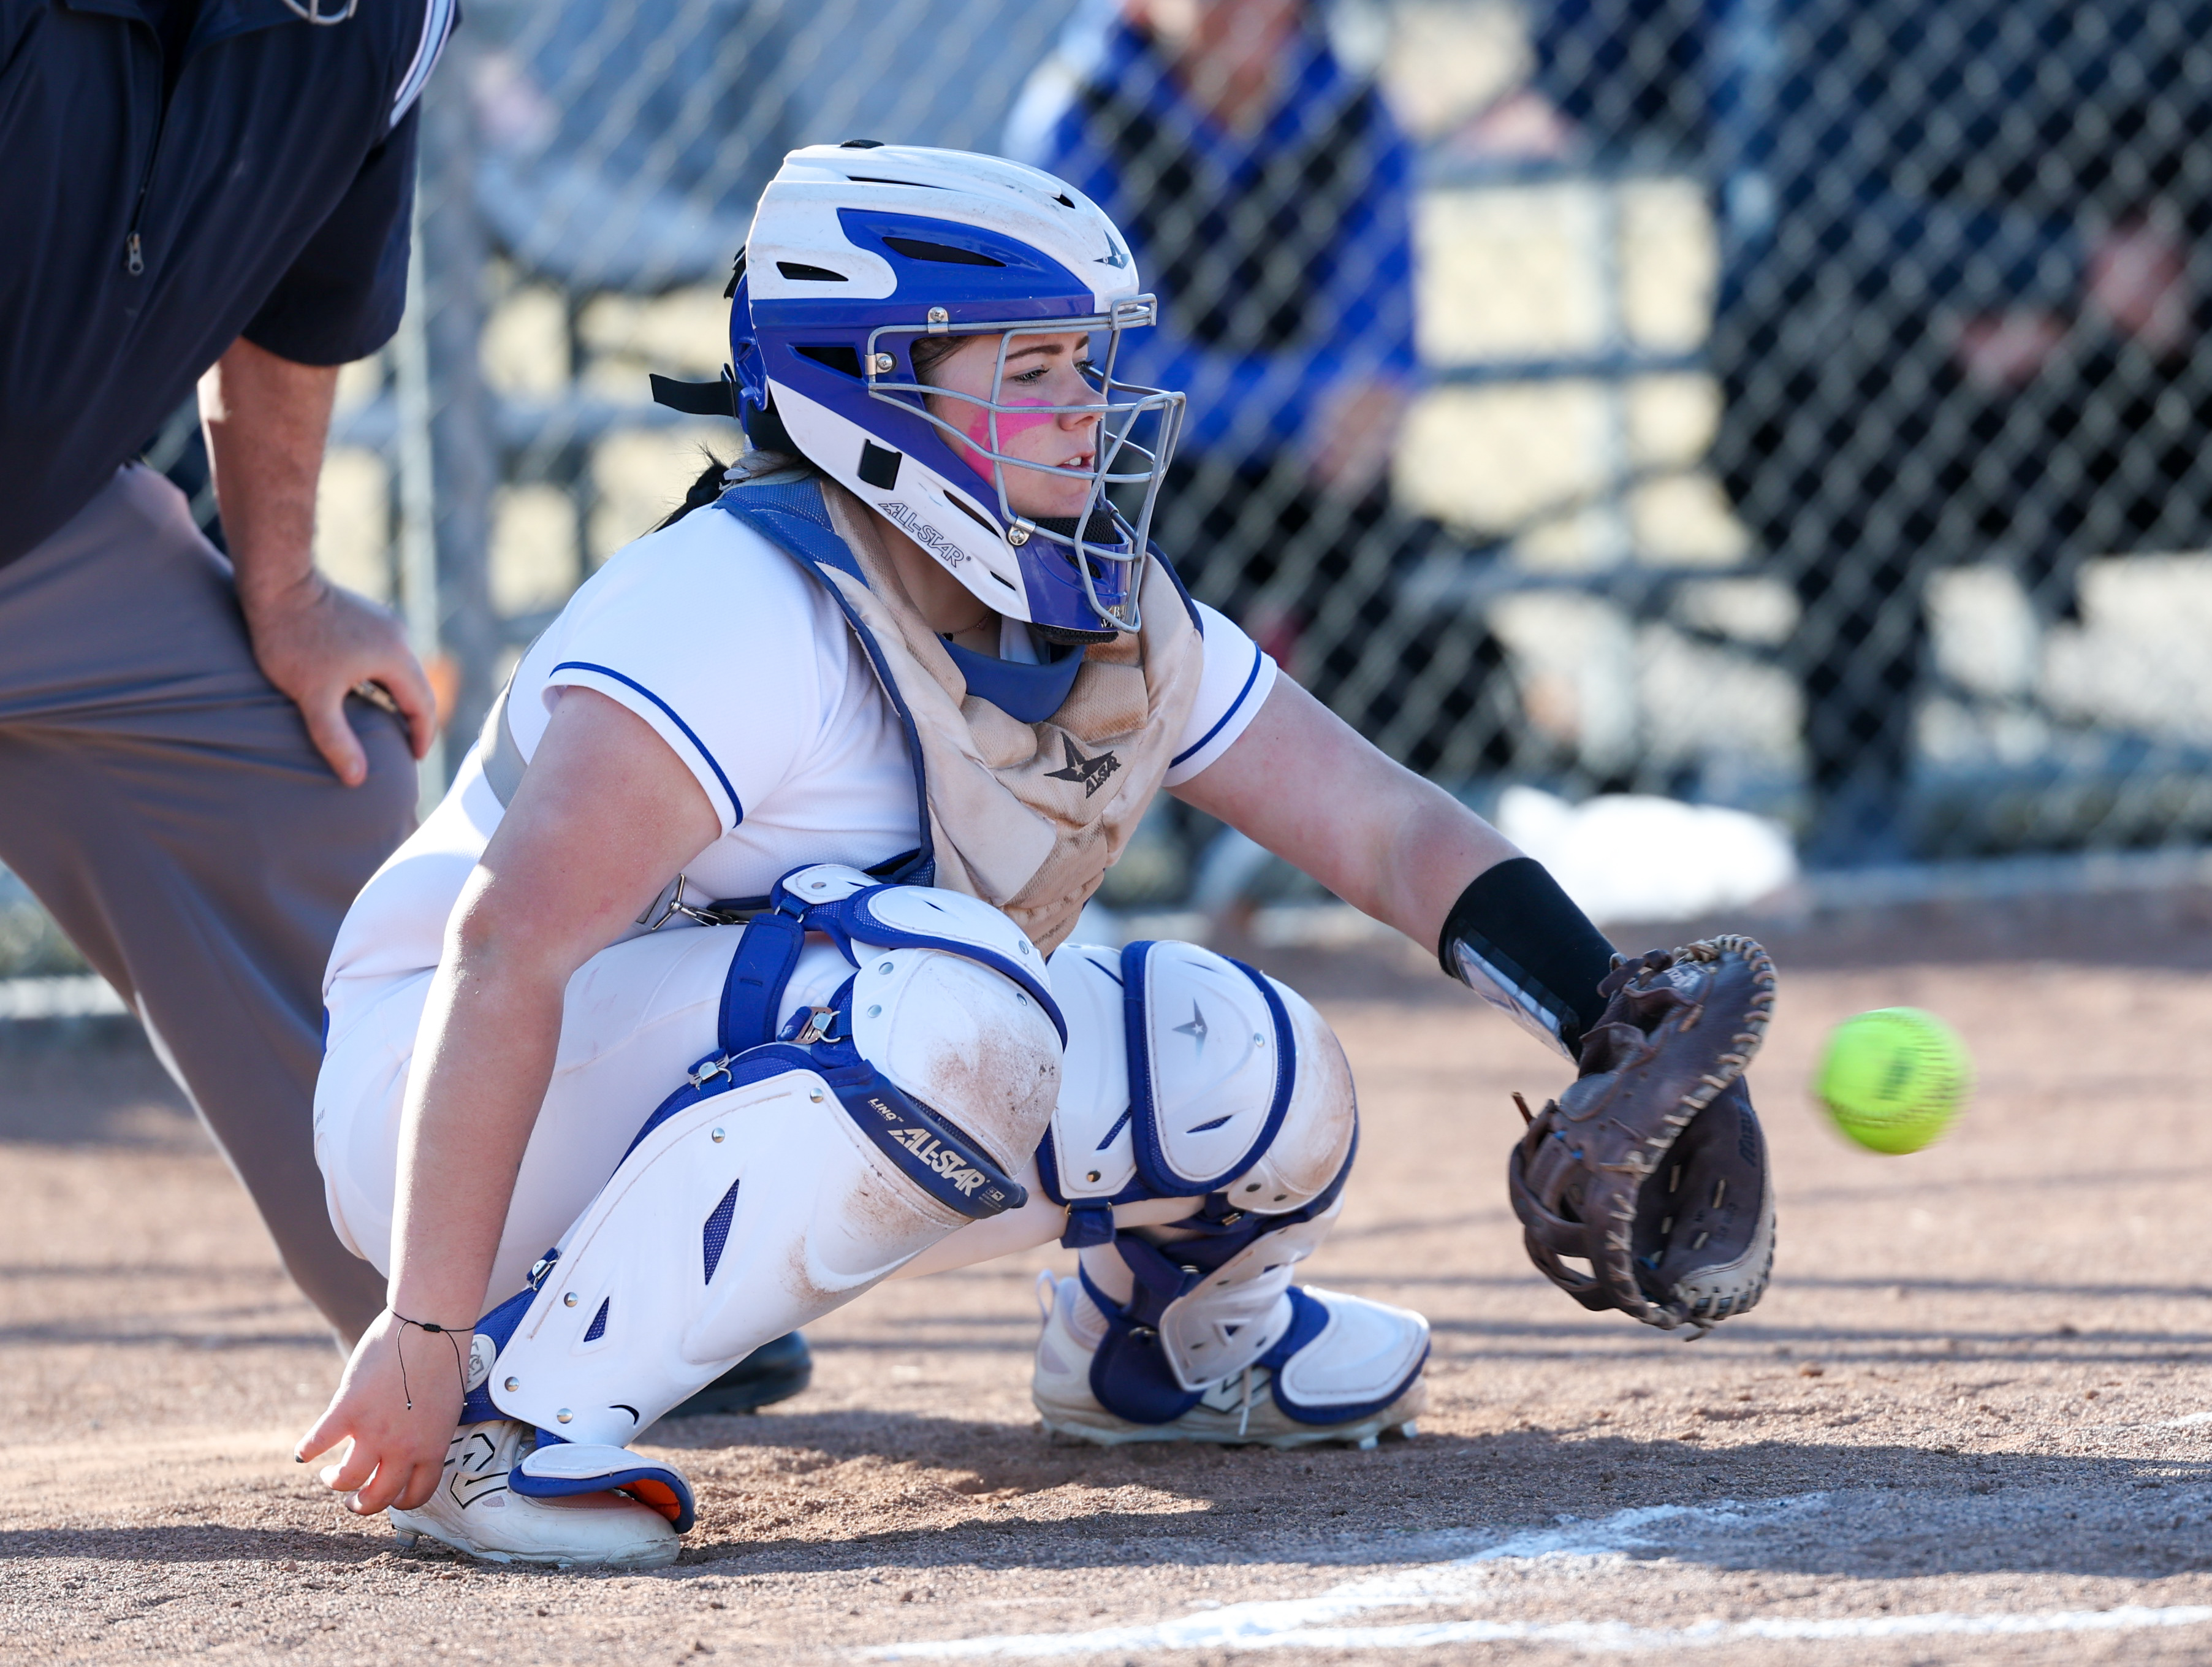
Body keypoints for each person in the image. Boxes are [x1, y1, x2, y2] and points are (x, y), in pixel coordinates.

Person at [295, 144, 1777, 1568]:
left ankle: (1161, 1363)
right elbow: (506, 950)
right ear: (870, 389)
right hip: (444, 1108)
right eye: (1028, 371)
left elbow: (1381, 824)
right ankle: (507, 1415)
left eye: (1087, 362)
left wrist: (1597, 1005)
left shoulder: (1086, 599)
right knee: (956, 994)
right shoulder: (738, 599)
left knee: (1244, 1055)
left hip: (766, 1051)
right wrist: (423, 1321)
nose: (1085, 408)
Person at [0, 0, 458, 1345]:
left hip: (40, 533)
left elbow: (299, 298)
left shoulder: (384, 16)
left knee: (309, 773)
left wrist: (287, 589)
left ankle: (476, 1321)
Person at [1520, 0, 2212, 863]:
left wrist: (2097, 297)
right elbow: (1810, 221)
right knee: (1837, 388)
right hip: (1907, 382)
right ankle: (1861, 815)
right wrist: (2048, 273)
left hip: (2133, 371)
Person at [1008, 0, 1513, 777]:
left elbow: (1382, 338)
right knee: (1156, 595)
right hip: (1140, 489)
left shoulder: (1350, 112)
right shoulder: (1081, 115)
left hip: (1325, 485)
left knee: (1401, 616)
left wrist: (1360, 404)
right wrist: (1311, 402)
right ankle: (1194, 850)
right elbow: (1119, 373)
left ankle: (1366, 836)